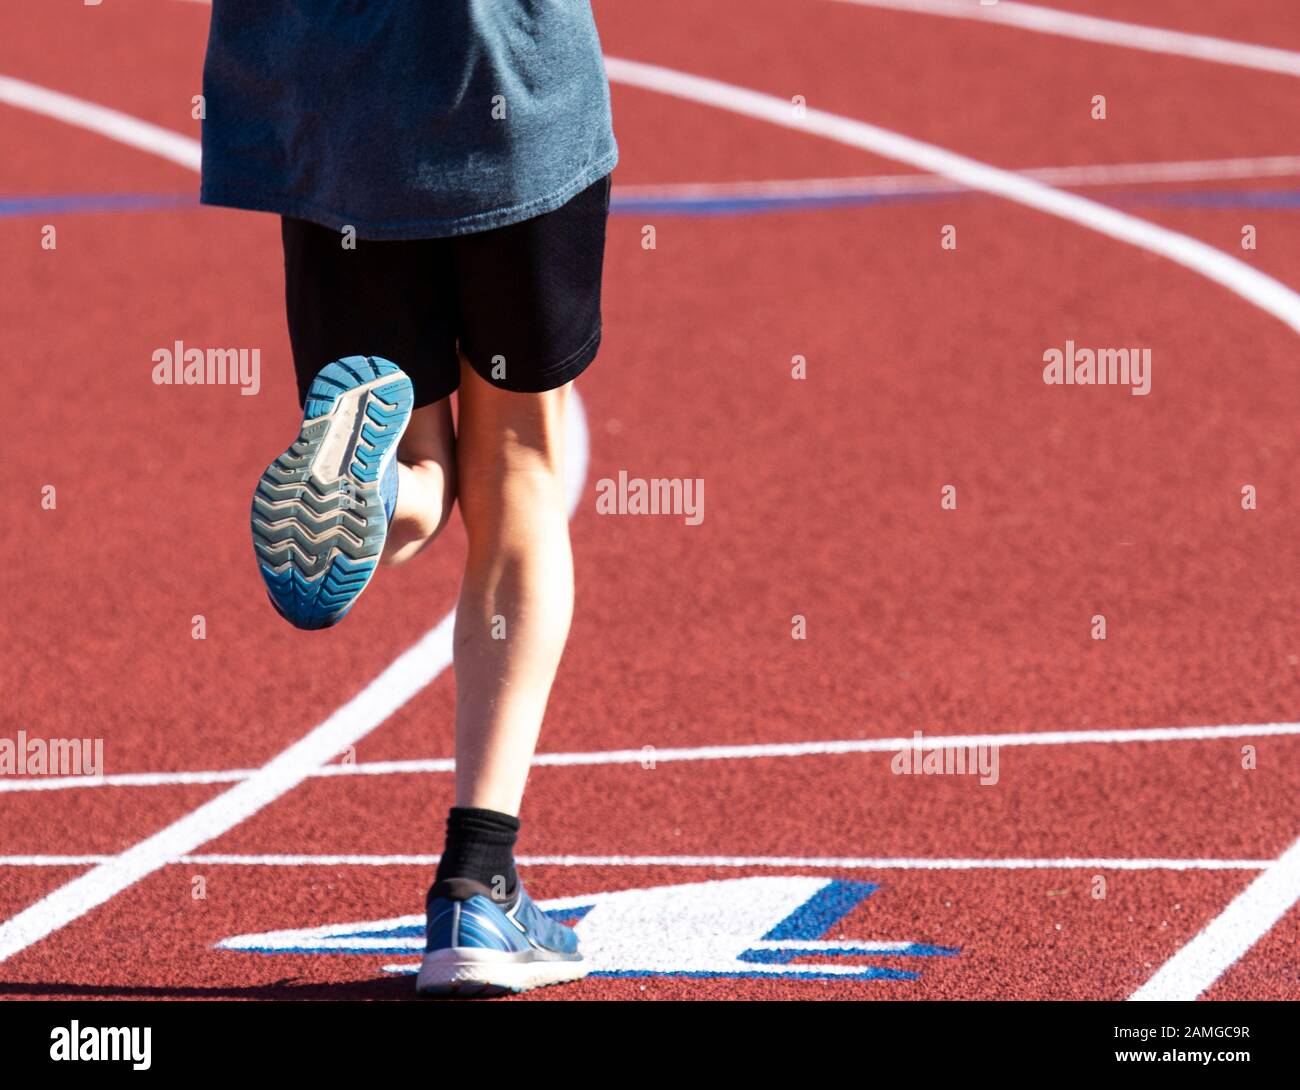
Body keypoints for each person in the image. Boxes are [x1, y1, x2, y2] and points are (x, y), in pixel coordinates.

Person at [199, 2, 617, 996]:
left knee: (422, 456)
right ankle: (477, 885)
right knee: (519, 463)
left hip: (330, 114)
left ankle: (379, 488)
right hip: (505, 84)